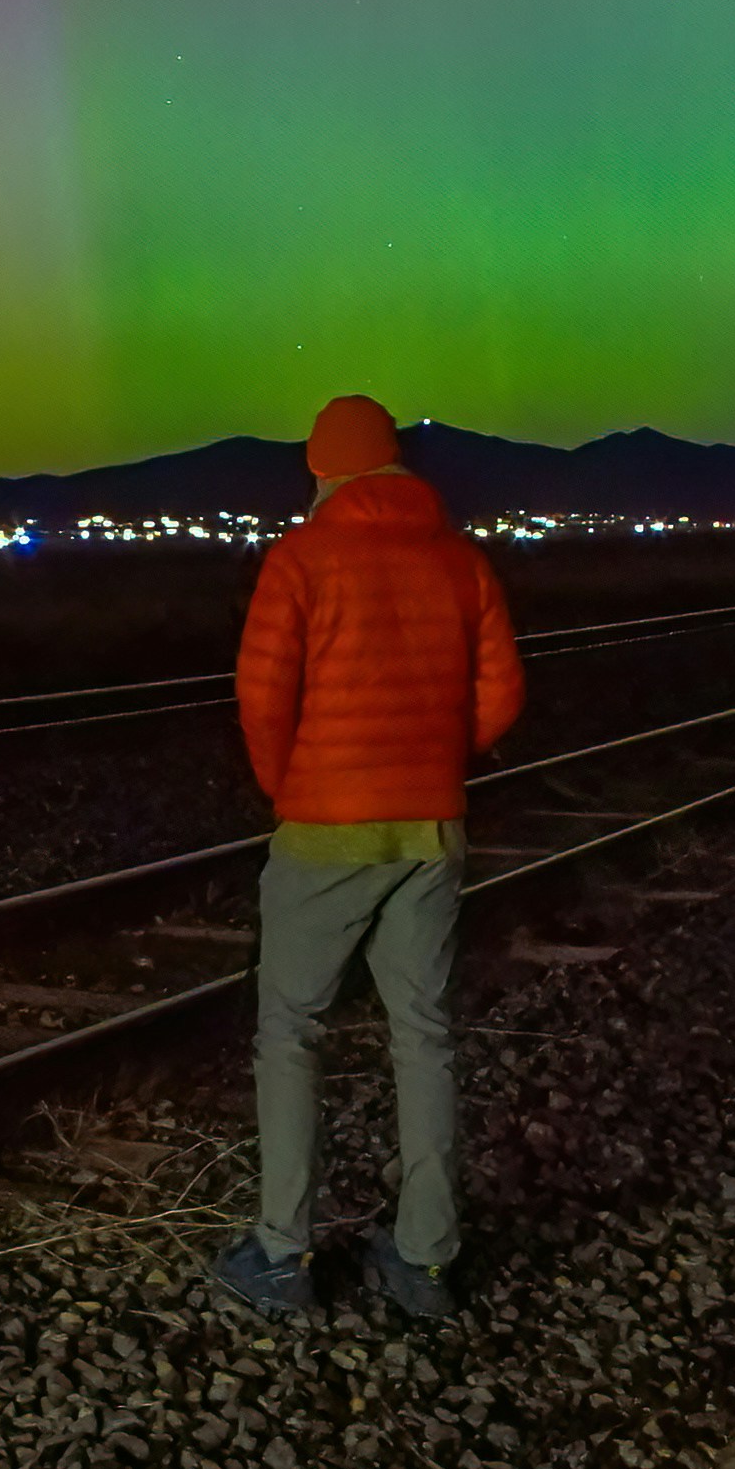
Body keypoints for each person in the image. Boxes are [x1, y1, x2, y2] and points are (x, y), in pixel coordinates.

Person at [210, 391, 525, 1325]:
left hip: (325, 827)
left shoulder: (300, 558)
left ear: (321, 469)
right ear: (394, 466)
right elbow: (502, 691)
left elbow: (261, 697)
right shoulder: (459, 560)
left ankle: (281, 1250)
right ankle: (425, 1258)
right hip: (428, 826)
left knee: (291, 1031)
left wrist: (292, 785)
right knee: (422, 1034)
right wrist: (434, 759)